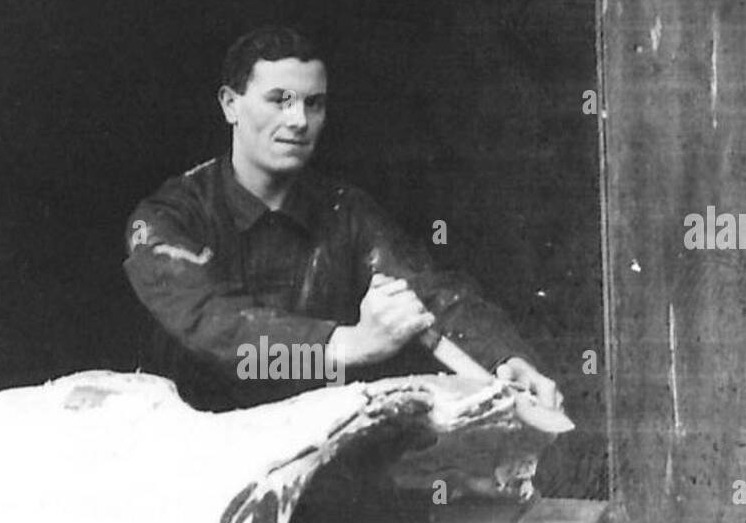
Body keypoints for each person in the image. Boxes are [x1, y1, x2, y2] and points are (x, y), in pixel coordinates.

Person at [124, 25, 562, 413]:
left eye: (313, 104)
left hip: (316, 453)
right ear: (230, 105)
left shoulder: (343, 210)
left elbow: (426, 292)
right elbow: (216, 331)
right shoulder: (166, 220)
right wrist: (347, 346)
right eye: (279, 101)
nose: (298, 121)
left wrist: (503, 358)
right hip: (199, 453)